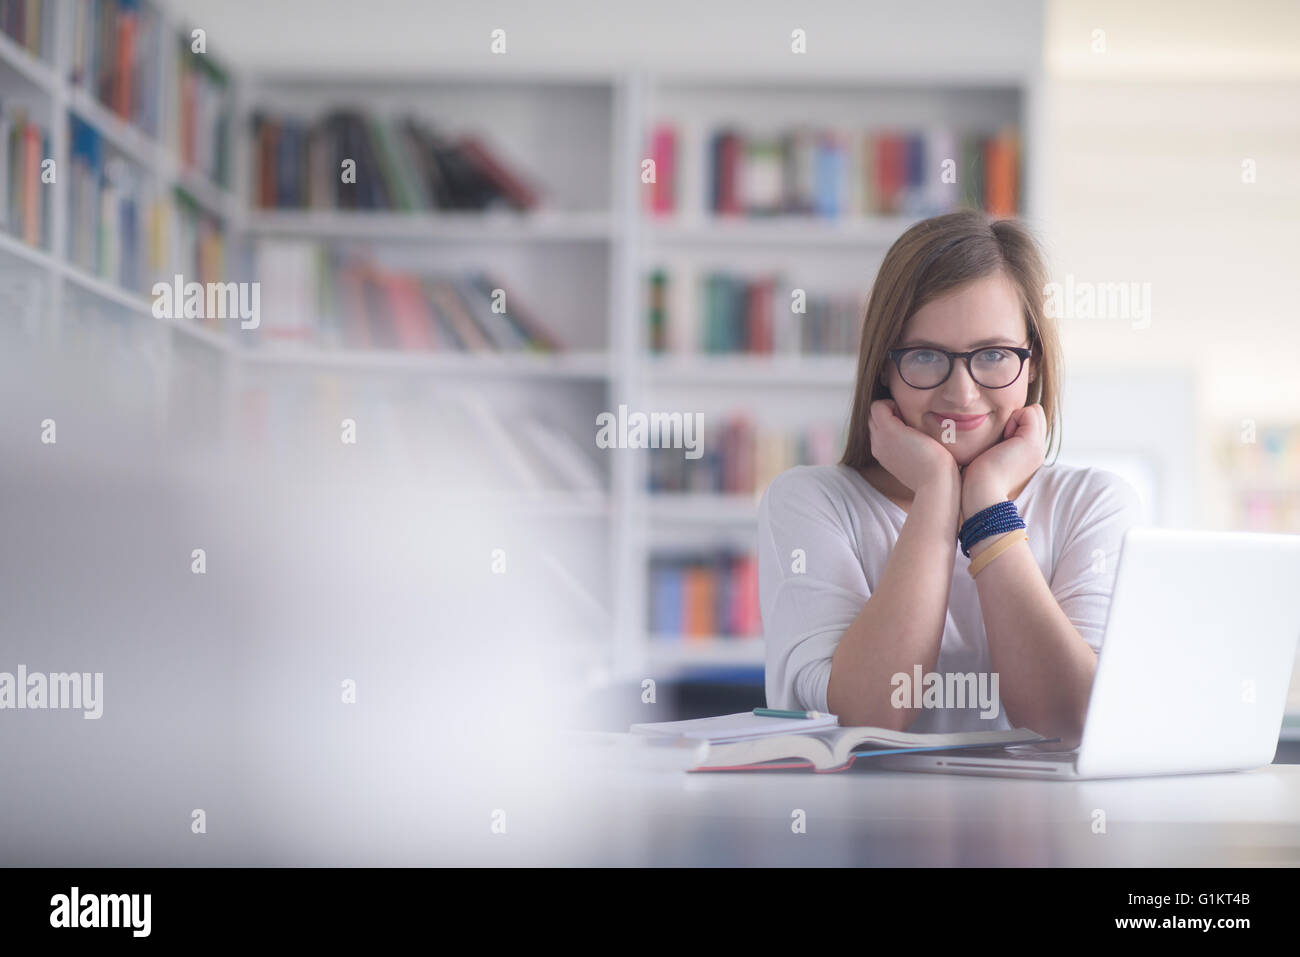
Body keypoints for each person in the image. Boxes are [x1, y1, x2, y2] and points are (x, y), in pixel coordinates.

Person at [757, 210, 1144, 748]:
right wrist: (937, 492)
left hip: (1040, 831)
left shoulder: (1093, 503)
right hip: (855, 830)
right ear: (885, 369)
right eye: (924, 356)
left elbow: (1071, 719)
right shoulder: (811, 501)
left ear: (1031, 363)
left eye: (992, 355)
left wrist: (985, 504)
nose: (961, 394)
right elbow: (868, 715)